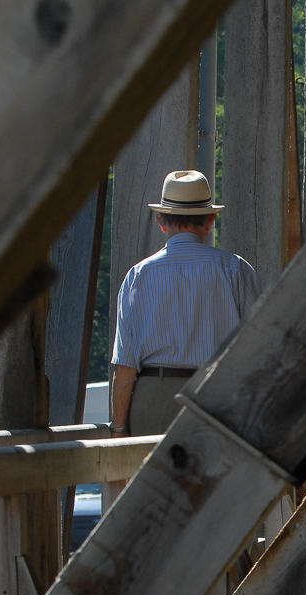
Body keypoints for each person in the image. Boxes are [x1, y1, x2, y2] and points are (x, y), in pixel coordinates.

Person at [110, 170, 261, 436]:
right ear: (210, 220)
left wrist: (119, 428)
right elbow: (261, 346)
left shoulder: (139, 276)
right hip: (219, 398)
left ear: (161, 221)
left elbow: (125, 365)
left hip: (155, 399)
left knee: (153, 478)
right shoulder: (235, 269)